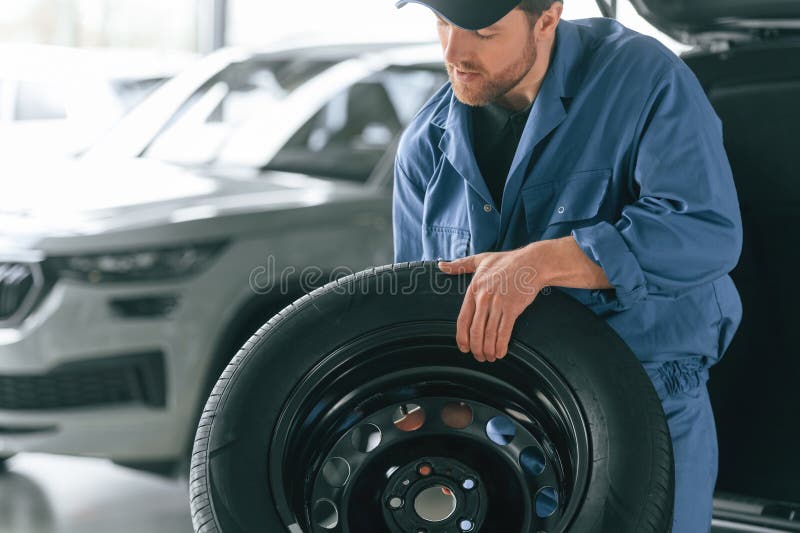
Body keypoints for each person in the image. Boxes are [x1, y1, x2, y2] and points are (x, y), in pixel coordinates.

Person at [391, 0, 744, 531]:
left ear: (547, 17)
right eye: (443, 23)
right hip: (500, 424)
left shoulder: (643, 79)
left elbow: (705, 228)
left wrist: (546, 261)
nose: (455, 52)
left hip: (644, 401)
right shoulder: (426, 143)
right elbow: (413, 309)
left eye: (483, 32)